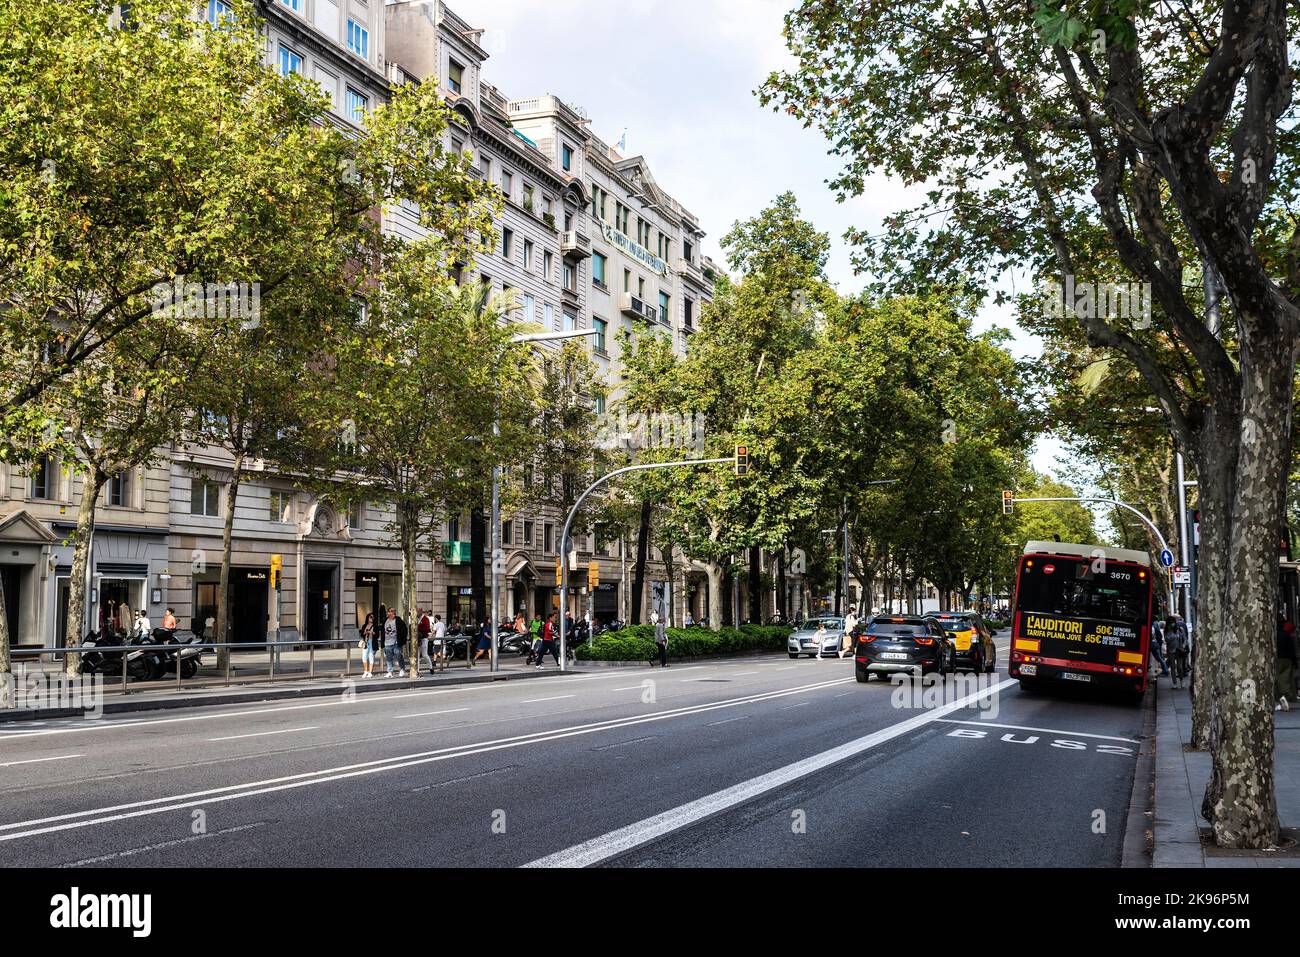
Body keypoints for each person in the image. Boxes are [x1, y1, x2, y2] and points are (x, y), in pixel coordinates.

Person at [1276, 614, 1296, 712]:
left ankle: (1281, 697)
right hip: (1287, 658)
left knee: (1279, 679)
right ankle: (1287, 696)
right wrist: (1294, 660)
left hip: (1277, 658)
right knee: (1286, 678)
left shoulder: (1274, 634)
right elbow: (1292, 648)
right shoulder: (1286, 634)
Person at [383, 607, 407, 677]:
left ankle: (402, 669)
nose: (393, 612)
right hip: (387, 642)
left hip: (396, 642)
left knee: (399, 656)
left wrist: (402, 640)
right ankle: (390, 671)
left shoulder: (398, 620)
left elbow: (404, 630)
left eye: (394, 611)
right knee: (388, 658)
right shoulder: (385, 620)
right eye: (391, 611)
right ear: (388, 613)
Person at [360, 612, 378, 678]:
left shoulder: (375, 626)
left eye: (373, 617)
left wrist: (372, 632)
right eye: (370, 617)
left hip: (372, 642)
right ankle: (366, 671)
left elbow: (377, 635)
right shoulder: (364, 625)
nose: (372, 618)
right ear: (367, 618)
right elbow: (361, 634)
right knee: (364, 657)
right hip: (366, 642)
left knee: (371, 656)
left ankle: (370, 672)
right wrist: (364, 632)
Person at [417, 608, 433, 673]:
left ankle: (431, 667)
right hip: (418, 639)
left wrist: (419, 628)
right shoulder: (417, 619)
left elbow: (427, 628)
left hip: (423, 639)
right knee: (417, 655)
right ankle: (417, 670)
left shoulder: (425, 619)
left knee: (424, 654)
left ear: (420, 612)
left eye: (417, 612)